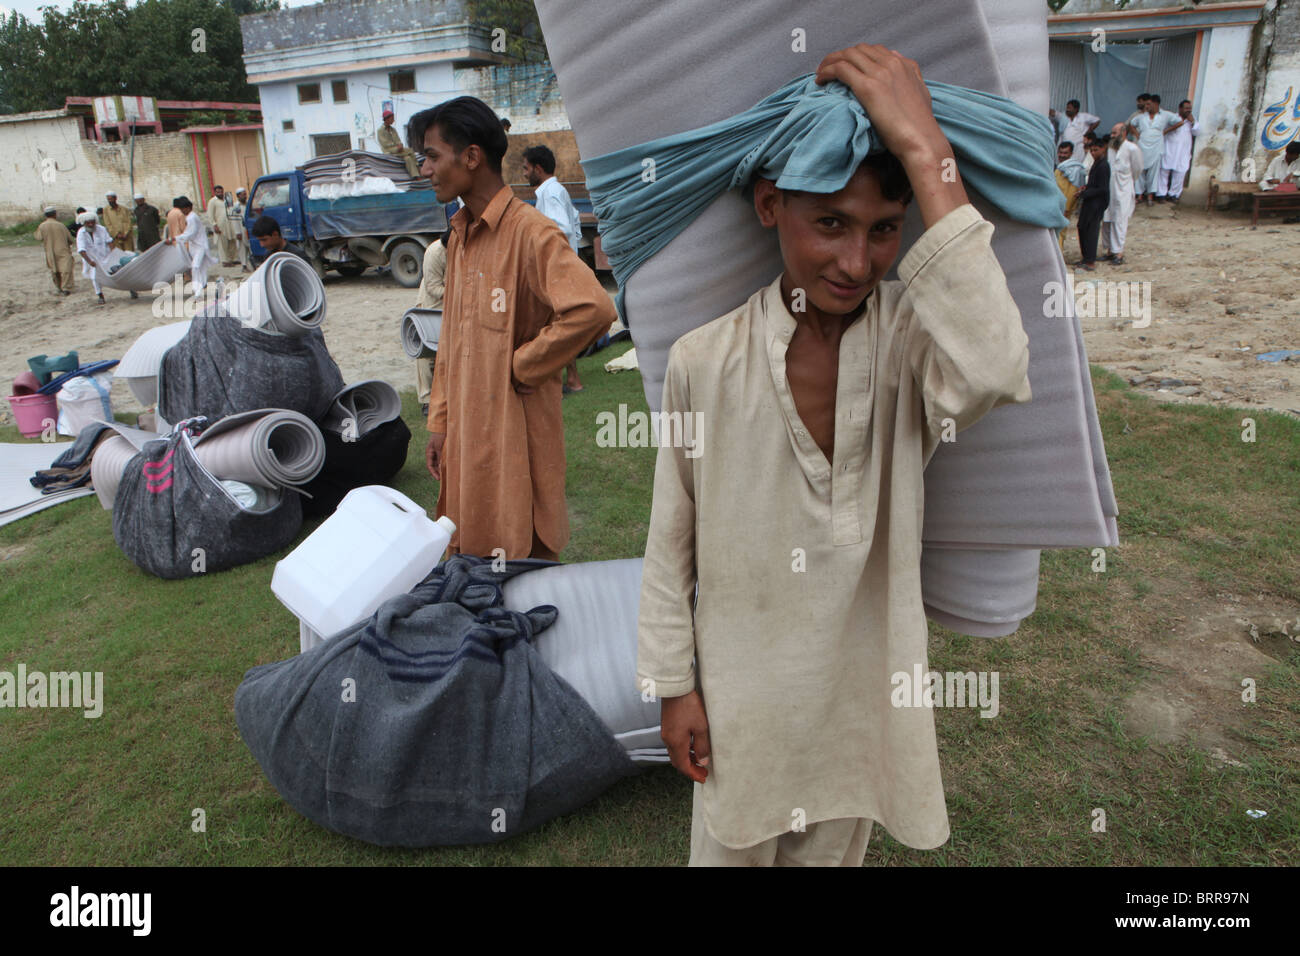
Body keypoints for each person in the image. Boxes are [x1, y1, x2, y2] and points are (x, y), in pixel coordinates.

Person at [638, 44, 1031, 868]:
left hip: (861, 700)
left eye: (885, 231)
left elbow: (994, 367)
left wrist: (927, 150)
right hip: (743, 701)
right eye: (830, 225)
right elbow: (669, 542)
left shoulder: (911, 343)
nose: (857, 262)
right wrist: (675, 687)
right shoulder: (704, 361)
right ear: (768, 206)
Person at [410, 94, 615, 560]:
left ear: (471, 156)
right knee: (470, 550)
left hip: (513, 430)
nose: (426, 170)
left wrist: (523, 366)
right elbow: (452, 339)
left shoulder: (531, 232)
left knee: (523, 550)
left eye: (432, 157)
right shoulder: (460, 236)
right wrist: (439, 422)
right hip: (466, 429)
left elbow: (593, 308)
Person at [523, 143, 588, 394]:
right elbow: (576, 223)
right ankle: (569, 378)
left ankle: (570, 380)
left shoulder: (549, 193)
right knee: (558, 324)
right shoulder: (554, 190)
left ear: (538, 169)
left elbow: (563, 228)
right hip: (561, 266)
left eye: (526, 168)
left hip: (556, 269)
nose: (524, 174)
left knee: (556, 326)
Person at [414, 231, 448, 417]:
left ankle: (447, 395)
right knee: (427, 354)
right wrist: (462, 290)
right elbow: (433, 288)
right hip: (431, 305)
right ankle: (427, 399)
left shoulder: (466, 248)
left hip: (454, 304)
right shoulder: (435, 252)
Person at [1102, 122, 1143, 265]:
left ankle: (1118, 252)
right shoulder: (1111, 149)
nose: (1112, 136)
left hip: (1123, 189)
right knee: (1107, 219)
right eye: (1112, 133)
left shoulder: (1132, 148)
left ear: (1123, 133)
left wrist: (1127, 181)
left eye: (1115, 133)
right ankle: (1109, 250)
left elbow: (1137, 169)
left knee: (1120, 219)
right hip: (1109, 189)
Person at [1130, 94, 1177, 205]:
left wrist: (1165, 131)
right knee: (1140, 170)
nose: (1146, 106)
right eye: (1146, 104)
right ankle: (1139, 195)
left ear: (1156, 104)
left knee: (1154, 172)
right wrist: (1137, 135)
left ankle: (1150, 196)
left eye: (1148, 104)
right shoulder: (1142, 116)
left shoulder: (1165, 115)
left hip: (1156, 147)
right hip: (1142, 146)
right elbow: (1131, 124)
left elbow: (1179, 122)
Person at [166, 196, 216, 292]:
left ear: (188, 208)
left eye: (183, 209)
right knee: (200, 267)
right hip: (194, 245)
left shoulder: (192, 218)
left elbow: (190, 233)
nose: (182, 211)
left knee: (196, 266)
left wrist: (174, 238)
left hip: (200, 246)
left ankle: (197, 289)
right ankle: (201, 285)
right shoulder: (189, 217)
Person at [1156, 100, 1201, 203]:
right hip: (1169, 150)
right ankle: (1161, 194)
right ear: (1180, 109)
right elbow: (1163, 129)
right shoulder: (1172, 118)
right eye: (1186, 108)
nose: (1188, 111)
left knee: (1179, 174)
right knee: (1163, 172)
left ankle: (1173, 194)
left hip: (1183, 153)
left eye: (1190, 109)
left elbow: (1197, 132)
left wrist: (1193, 122)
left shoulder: (1192, 121)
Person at [1077, 136, 1111, 271]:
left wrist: (1085, 193)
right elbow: (1094, 184)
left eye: (1096, 150)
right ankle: (1086, 257)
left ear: (1103, 149)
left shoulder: (1103, 165)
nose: (1093, 153)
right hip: (1090, 201)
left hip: (1096, 204)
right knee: (1082, 227)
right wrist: (1086, 189)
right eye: (1091, 150)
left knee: (1091, 231)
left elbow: (1102, 189)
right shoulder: (1097, 163)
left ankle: (1090, 260)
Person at [35, 205, 76, 296]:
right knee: (66, 270)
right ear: (55, 214)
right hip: (62, 250)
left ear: (46, 215)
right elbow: (70, 239)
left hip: (50, 251)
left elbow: (38, 237)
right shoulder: (60, 225)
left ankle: (59, 287)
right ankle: (65, 287)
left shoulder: (42, 226)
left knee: (55, 270)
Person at [75, 210, 113, 305]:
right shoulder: (81, 233)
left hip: (105, 256)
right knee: (95, 277)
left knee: (116, 272)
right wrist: (89, 261)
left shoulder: (101, 229)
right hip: (92, 259)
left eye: (93, 222)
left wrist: (114, 254)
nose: (91, 224)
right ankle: (100, 295)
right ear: (84, 223)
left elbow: (109, 241)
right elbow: (81, 249)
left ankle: (130, 289)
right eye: (88, 223)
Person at [1055, 141, 1086, 252]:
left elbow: (1073, 192)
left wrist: (1066, 208)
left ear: (1071, 153)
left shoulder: (1074, 170)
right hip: (1055, 205)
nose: (1062, 155)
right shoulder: (1060, 168)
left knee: (1060, 232)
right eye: (1060, 152)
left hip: (1064, 207)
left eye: (1065, 153)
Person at [377, 109, 421, 178]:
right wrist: (397, 147)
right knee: (410, 150)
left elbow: (398, 140)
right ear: (386, 119)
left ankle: (415, 176)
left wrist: (400, 144)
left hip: (397, 149)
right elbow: (385, 144)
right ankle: (418, 166)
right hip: (388, 151)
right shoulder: (380, 130)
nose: (393, 120)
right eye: (392, 118)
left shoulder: (393, 130)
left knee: (408, 158)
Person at [206, 185, 238, 266]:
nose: (220, 193)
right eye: (218, 192)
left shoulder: (227, 199)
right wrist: (214, 225)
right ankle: (225, 261)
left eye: (221, 191)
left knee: (232, 241)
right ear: (215, 192)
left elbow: (231, 209)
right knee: (222, 243)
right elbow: (210, 215)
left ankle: (233, 259)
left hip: (230, 223)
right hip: (220, 225)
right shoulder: (212, 201)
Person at [230, 187, 253, 272]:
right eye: (243, 194)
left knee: (251, 246)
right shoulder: (236, 207)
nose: (245, 196)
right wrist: (237, 232)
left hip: (249, 229)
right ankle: (244, 266)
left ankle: (253, 264)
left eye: (245, 194)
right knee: (242, 248)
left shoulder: (249, 204)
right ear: (238, 196)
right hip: (240, 229)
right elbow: (234, 220)